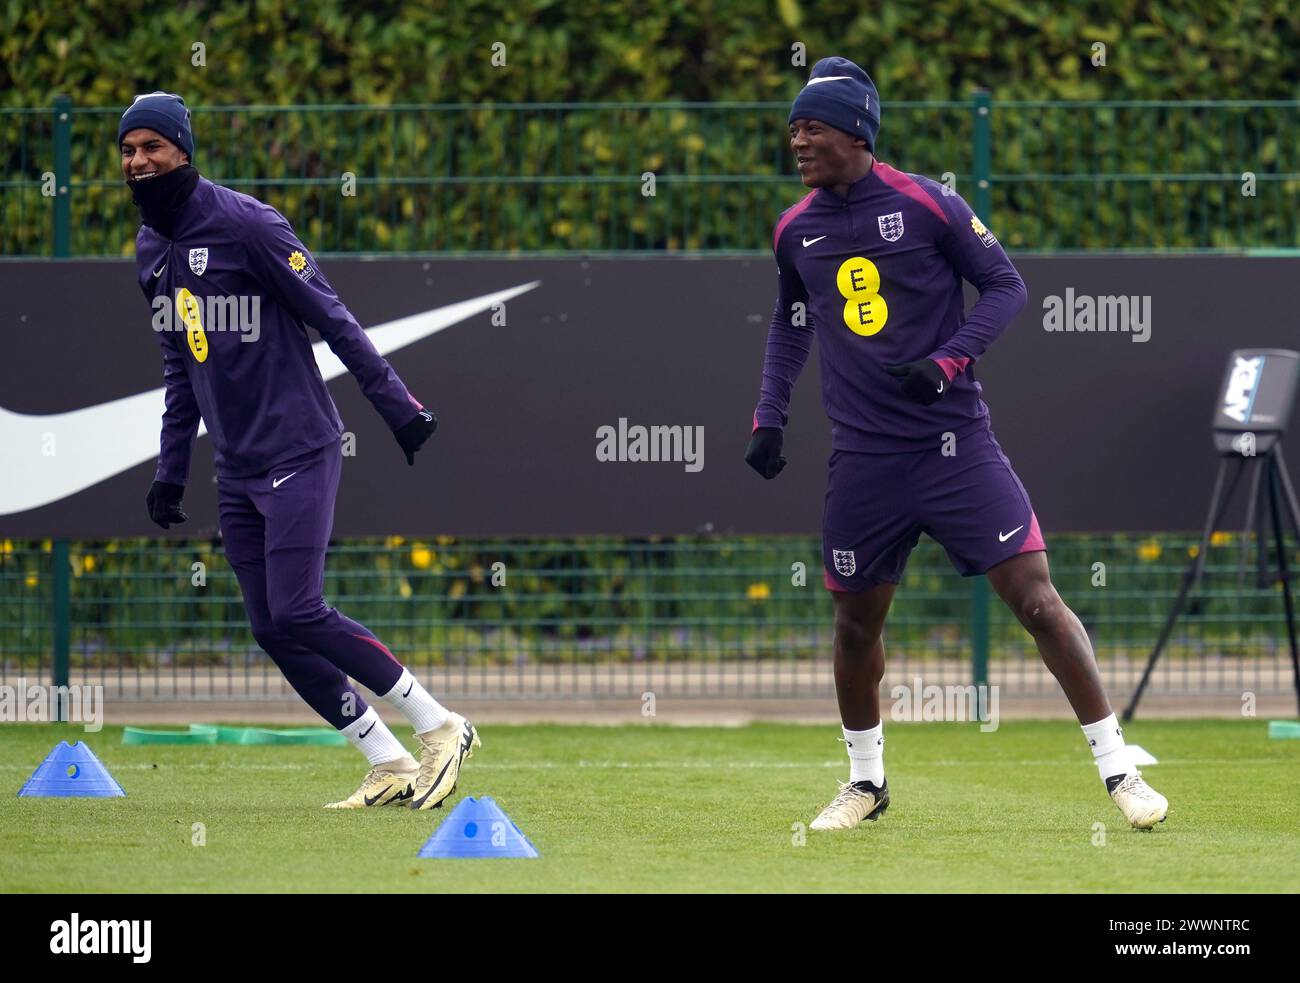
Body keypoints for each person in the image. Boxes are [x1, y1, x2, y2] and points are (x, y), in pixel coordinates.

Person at [745, 59, 1168, 831]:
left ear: (857, 131)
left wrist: (946, 363)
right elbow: (788, 321)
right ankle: (866, 784)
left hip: (954, 446)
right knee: (854, 626)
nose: (797, 139)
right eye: (793, 127)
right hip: (864, 459)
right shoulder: (793, 227)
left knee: (1038, 601)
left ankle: (1118, 768)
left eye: (812, 125)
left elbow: (1006, 284)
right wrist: (768, 413)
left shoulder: (929, 202)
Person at [121, 91, 478, 810]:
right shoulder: (151, 248)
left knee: (299, 608)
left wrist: (398, 406)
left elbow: (333, 316)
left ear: (184, 150)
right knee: (269, 625)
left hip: (298, 449)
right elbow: (178, 365)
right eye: (128, 151)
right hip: (236, 467)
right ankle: (386, 759)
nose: (138, 162)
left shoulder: (248, 224)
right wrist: (169, 470)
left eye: (153, 147)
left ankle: (440, 723)